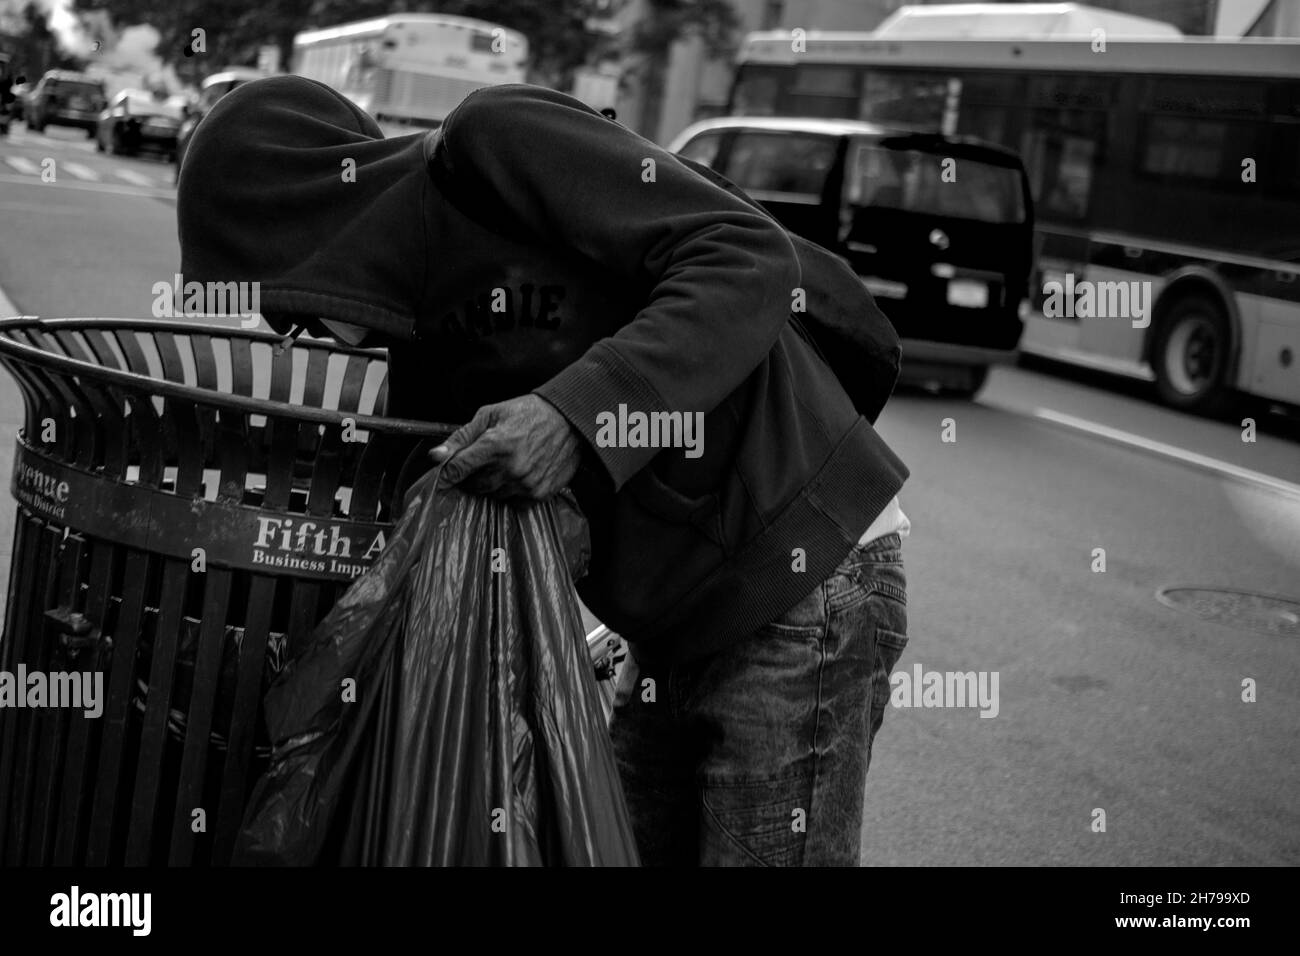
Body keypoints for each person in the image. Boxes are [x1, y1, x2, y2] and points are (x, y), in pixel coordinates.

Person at [177, 75, 911, 866]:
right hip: (671, 629)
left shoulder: (496, 141)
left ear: (309, 225)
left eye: (282, 300)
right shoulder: (422, 349)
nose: (288, 334)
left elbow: (745, 257)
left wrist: (575, 417)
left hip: (804, 581)